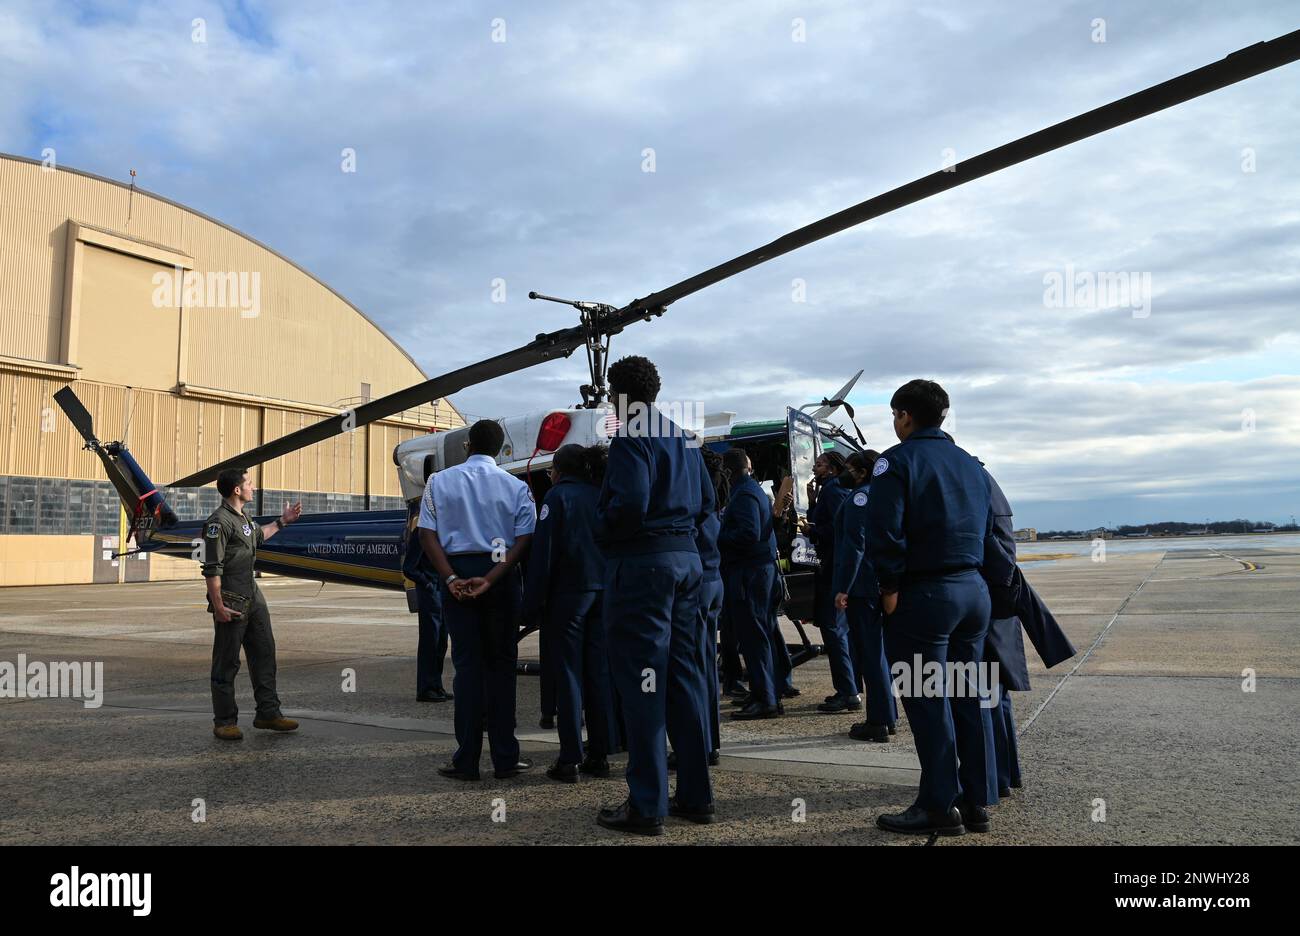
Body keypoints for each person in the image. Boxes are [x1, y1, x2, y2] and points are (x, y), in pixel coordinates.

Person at [867, 379, 998, 836]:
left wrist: (888, 586)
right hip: (972, 591)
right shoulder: (970, 463)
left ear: (904, 415)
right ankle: (975, 799)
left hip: (926, 595)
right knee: (967, 696)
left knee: (926, 702)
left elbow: (884, 531)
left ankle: (938, 804)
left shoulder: (895, 462)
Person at [595, 355, 715, 835]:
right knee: (685, 678)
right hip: (686, 563)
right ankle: (696, 795)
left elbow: (629, 504)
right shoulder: (682, 437)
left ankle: (647, 805)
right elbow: (707, 503)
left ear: (615, 393)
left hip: (644, 565)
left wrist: (601, 528)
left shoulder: (629, 434)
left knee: (644, 683)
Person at [419, 419, 535, 782]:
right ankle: (505, 758)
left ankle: (466, 759)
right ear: (502, 450)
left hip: (456, 573)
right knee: (501, 667)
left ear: (468, 445)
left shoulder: (439, 481)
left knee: (467, 669)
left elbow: (427, 535)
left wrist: (451, 578)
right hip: (498, 576)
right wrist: (490, 578)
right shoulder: (516, 486)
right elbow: (523, 539)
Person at [522, 444, 617, 783]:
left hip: (568, 597)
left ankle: (569, 758)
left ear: (559, 470)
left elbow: (543, 554)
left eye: (551, 469)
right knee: (598, 674)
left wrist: (531, 604)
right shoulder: (601, 494)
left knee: (568, 675)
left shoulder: (557, 499)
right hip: (602, 594)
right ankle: (600, 753)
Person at [202, 468, 302, 740]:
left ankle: (268, 713)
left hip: (253, 596)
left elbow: (259, 535)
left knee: (265, 654)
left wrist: (283, 521)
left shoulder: (243, 518)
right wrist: (218, 604)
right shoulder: (218, 523)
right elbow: (212, 567)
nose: (253, 487)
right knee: (227, 661)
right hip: (231, 597)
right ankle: (224, 721)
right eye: (249, 483)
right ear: (237, 490)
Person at [831, 450, 898, 741]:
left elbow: (855, 545)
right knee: (877, 654)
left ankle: (879, 721)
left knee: (870, 655)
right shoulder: (875, 494)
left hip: (862, 586)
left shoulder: (860, 497)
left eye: (847, 468)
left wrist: (844, 586)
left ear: (861, 472)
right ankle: (888, 716)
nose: (843, 473)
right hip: (873, 583)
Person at [719, 448, 783, 721]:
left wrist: (717, 535)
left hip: (750, 573)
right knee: (761, 636)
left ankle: (766, 699)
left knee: (754, 638)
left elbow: (748, 533)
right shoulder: (753, 489)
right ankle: (766, 694)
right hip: (759, 571)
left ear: (728, 471)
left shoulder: (743, 494)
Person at [807, 450, 860, 713]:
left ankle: (848, 692)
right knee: (838, 630)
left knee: (834, 629)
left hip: (833, 569)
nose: (815, 468)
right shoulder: (827, 490)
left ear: (831, 468)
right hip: (833, 565)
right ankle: (849, 688)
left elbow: (841, 527)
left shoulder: (833, 490)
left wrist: (812, 529)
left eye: (819, 464)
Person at [403, 457, 450, 703]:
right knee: (431, 641)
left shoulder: (441, 521)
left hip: (442, 590)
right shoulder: (423, 525)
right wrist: (429, 583)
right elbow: (410, 567)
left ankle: (436, 685)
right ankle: (426, 688)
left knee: (441, 641)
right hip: (431, 591)